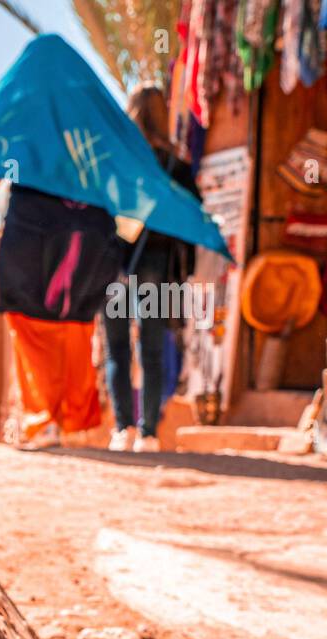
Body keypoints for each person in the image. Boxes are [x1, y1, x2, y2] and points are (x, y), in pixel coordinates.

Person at [106, 85, 200, 453]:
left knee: (117, 349)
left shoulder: (118, 158)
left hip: (116, 262)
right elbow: (193, 217)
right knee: (151, 349)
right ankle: (148, 434)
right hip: (157, 265)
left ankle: (122, 428)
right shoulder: (175, 164)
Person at [0, 184, 121, 449]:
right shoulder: (93, 189)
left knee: (38, 358)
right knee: (67, 357)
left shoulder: (30, 181)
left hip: (35, 287)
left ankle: (46, 422)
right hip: (77, 289)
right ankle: (62, 424)